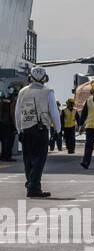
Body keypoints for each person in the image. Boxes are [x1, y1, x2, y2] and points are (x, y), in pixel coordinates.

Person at [15, 67, 60, 198]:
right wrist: (57, 130)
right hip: (40, 130)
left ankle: (33, 185)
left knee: (28, 159)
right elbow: (54, 112)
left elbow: (17, 112)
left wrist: (19, 129)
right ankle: (33, 187)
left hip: (26, 128)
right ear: (45, 78)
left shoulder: (22, 92)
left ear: (30, 77)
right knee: (40, 159)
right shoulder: (48, 92)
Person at [0, 84, 17, 162]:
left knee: (4, 141)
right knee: (9, 141)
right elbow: (13, 113)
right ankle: (7, 156)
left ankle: (3, 155)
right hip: (9, 124)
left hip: (2, 123)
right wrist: (16, 125)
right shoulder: (12, 101)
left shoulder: (2, 100)